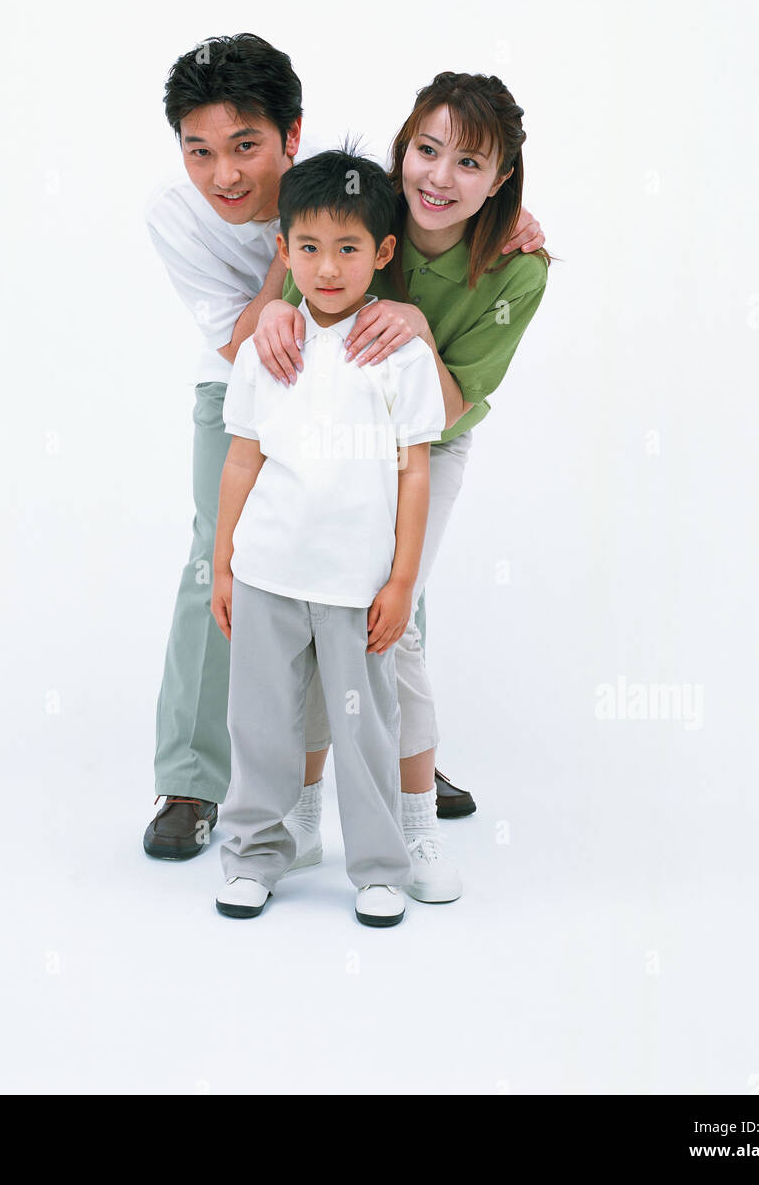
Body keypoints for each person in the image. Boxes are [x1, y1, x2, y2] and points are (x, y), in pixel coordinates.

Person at [142, 34, 544, 865]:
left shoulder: (414, 216)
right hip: (263, 389)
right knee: (220, 565)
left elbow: (446, 389)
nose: (225, 173)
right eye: (201, 150)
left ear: (292, 137)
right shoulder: (204, 215)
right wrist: (284, 285)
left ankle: (402, 767)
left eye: (246, 146)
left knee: (387, 578)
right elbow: (246, 348)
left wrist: (495, 228)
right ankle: (192, 777)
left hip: (390, 413)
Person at [252, 71, 553, 903]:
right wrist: (277, 310)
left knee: (393, 631)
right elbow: (293, 291)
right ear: (402, 148)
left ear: (501, 182)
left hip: (425, 450)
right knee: (313, 615)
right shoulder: (362, 204)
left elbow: (451, 410)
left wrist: (418, 324)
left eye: (469, 164)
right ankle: (308, 818)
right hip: (326, 442)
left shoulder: (517, 272)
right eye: (427, 150)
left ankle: (414, 830)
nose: (439, 177)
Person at [211, 145, 445, 925]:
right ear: (284, 251)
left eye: (349, 248)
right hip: (268, 573)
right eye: (308, 247)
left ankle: (381, 867)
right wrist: (222, 569)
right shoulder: (268, 347)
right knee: (261, 726)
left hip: (356, 584)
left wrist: (402, 581)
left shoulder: (400, 355)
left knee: (366, 730)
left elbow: (416, 473)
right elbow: (241, 460)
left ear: (382, 252)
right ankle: (252, 855)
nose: (328, 267)